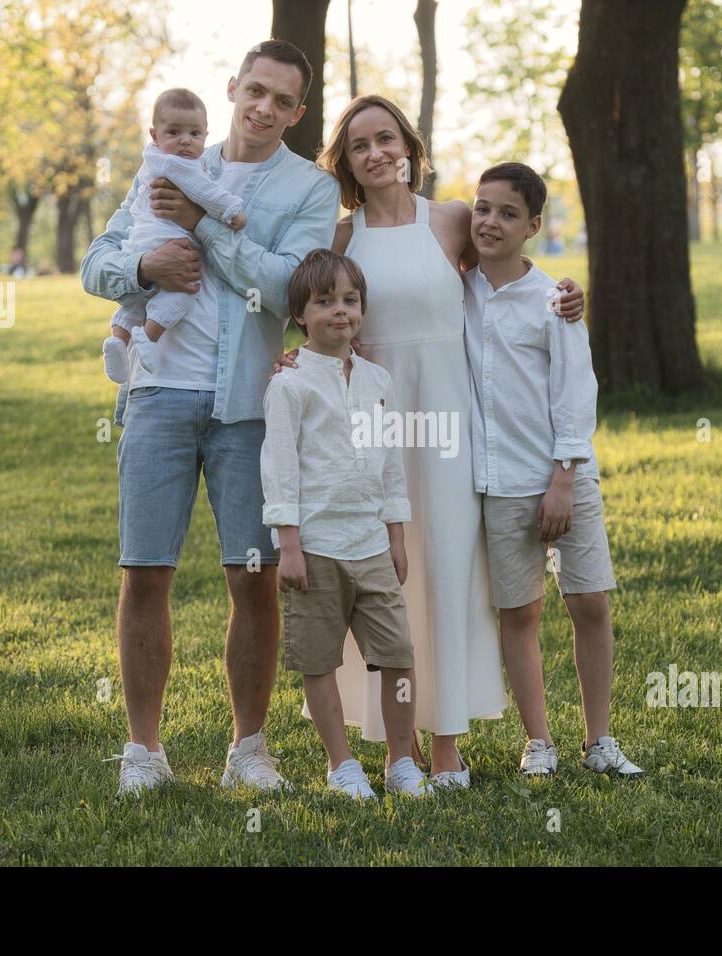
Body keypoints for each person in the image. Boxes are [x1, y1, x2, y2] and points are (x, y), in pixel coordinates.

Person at [275, 94, 585, 789]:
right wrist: (291, 358)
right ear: (347, 162)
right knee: (386, 583)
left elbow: (512, 275)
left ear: (409, 146)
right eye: (360, 145)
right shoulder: (343, 239)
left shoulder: (448, 220)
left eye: (387, 138)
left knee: (448, 576)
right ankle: (397, 747)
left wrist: (562, 299)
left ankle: (448, 744)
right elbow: (321, 312)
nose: (377, 152)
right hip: (374, 431)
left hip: (449, 428)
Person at [80, 40, 340, 797]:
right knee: (144, 572)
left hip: (249, 405)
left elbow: (291, 284)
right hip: (157, 394)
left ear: (297, 113)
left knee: (252, 578)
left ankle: (249, 749)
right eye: (253, 90)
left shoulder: (308, 189)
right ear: (232, 86)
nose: (262, 108)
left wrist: (202, 224)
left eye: (281, 101)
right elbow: (100, 258)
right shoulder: (172, 149)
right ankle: (143, 752)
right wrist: (143, 269)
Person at [464, 162, 642, 780]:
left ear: (533, 225)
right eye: (482, 207)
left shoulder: (553, 302)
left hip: (562, 477)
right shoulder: (457, 292)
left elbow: (574, 391)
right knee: (520, 613)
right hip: (498, 484)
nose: (490, 221)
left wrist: (564, 476)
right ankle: (539, 740)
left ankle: (600, 740)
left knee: (588, 600)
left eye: (508, 213)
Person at [261, 249, 432, 799]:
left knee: (398, 658)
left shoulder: (377, 379)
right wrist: (288, 544)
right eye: (325, 301)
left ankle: (400, 761)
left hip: (370, 544)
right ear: (300, 315)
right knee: (319, 662)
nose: (341, 311)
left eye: (350, 300)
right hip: (315, 548)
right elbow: (280, 467)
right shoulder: (289, 384)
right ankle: (342, 765)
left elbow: (389, 461)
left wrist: (396, 533)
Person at [101, 88, 247, 385]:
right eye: (174, 132)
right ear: (155, 135)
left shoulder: (152, 161)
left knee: (134, 303)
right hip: (165, 242)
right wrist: (233, 212)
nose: (185, 141)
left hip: (138, 245)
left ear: (207, 134)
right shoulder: (180, 166)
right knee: (182, 292)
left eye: (194, 134)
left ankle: (118, 339)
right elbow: (208, 194)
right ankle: (148, 338)